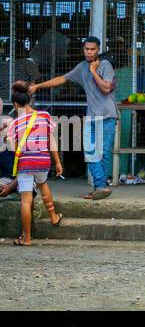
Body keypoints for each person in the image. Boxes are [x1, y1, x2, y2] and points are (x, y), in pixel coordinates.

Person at [31, 36, 117, 200]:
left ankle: (100, 186)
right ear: (83, 50)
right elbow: (62, 79)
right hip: (92, 116)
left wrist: (93, 71)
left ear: (98, 50)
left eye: (92, 49)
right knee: (90, 151)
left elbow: (106, 88)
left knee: (104, 153)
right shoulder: (81, 67)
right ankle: (101, 187)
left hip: (107, 116)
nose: (89, 51)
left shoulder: (105, 65)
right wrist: (38, 86)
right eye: (86, 49)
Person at [7, 81, 64, 245]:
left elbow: (13, 146)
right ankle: (54, 217)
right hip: (43, 161)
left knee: (26, 200)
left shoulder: (15, 123)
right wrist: (58, 162)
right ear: (30, 100)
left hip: (25, 163)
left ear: (16, 104)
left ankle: (27, 238)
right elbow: (51, 140)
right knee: (43, 184)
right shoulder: (44, 116)